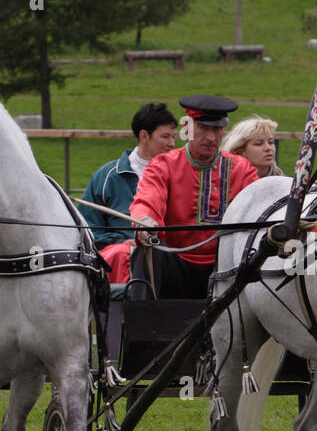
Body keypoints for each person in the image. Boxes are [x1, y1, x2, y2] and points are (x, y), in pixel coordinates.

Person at [129, 95, 259, 299]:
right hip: (174, 261)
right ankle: (143, 324)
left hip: (225, 263)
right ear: (188, 128)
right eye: (203, 128)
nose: (210, 137)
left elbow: (257, 209)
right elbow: (147, 199)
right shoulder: (164, 165)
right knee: (148, 250)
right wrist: (145, 222)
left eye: (216, 130)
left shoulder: (241, 169)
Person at [79, 103, 178, 283]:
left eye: (173, 137)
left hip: (169, 257)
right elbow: (87, 227)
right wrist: (121, 241)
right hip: (119, 263)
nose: (172, 144)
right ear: (144, 136)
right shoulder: (107, 176)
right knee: (124, 254)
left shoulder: (181, 175)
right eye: (165, 137)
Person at [222, 114, 284, 178]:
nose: (268, 148)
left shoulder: (286, 183)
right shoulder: (225, 183)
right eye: (259, 143)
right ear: (240, 152)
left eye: (271, 142)